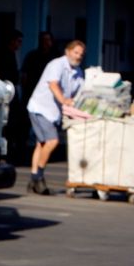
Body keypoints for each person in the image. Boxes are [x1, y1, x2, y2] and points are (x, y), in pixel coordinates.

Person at [25, 39, 85, 194]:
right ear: (68, 51)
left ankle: (33, 178)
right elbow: (53, 85)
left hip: (54, 113)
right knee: (52, 141)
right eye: (75, 52)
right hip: (41, 108)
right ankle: (38, 177)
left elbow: (80, 94)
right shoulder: (57, 64)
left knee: (42, 144)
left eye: (81, 54)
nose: (78, 56)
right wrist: (64, 100)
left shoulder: (78, 72)